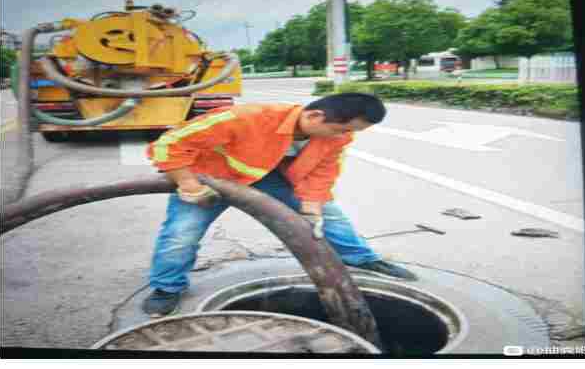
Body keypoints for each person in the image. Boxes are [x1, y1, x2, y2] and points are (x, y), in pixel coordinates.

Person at [142, 92, 418, 317]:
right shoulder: (245, 118)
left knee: (330, 217)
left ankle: (363, 259)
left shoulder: (338, 135)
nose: (343, 136)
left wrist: (311, 209)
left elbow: (322, 173)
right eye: (341, 129)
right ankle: (167, 288)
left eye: (350, 131)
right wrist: (188, 184)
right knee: (182, 233)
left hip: (267, 177)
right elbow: (169, 143)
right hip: (211, 178)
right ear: (314, 115)